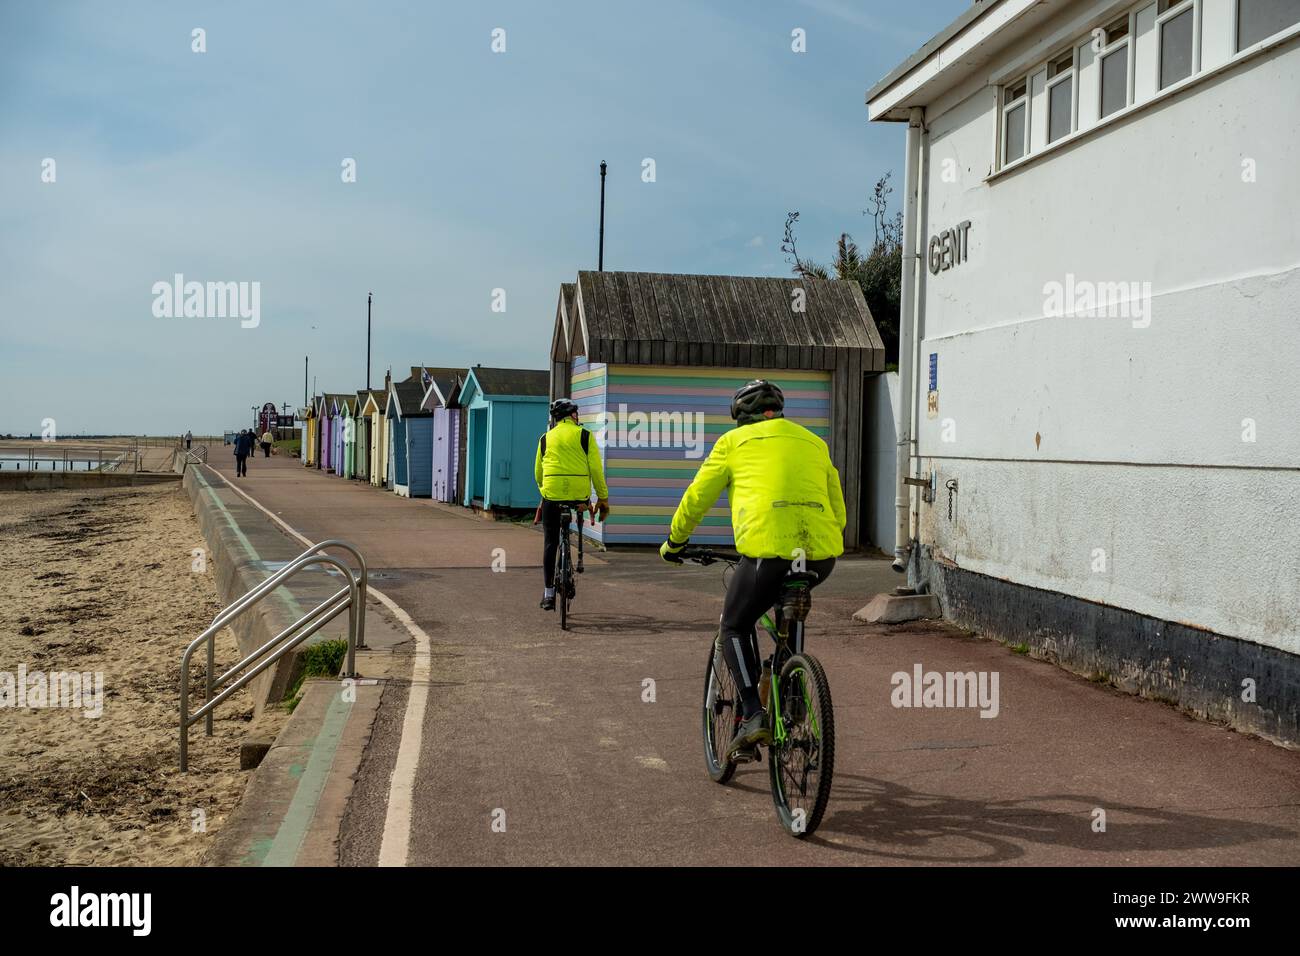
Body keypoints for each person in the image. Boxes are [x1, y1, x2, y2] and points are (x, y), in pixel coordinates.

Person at [659, 380, 846, 757]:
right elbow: (838, 511)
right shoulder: (814, 442)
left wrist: (674, 542)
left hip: (767, 553)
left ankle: (752, 715)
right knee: (787, 607)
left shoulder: (733, 443)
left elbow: (697, 497)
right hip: (821, 556)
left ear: (740, 418)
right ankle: (792, 693)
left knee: (734, 624)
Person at [533, 398, 610, 611]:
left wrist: (545, 492)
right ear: (572, 416)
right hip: (579, 496)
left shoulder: (545, 438)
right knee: (568, 529)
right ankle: (572, 557)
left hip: (552, 495)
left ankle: (548, 594)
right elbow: (596, 471)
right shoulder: (585, 436)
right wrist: (602, 499)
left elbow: (538, 474)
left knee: (551, 542)